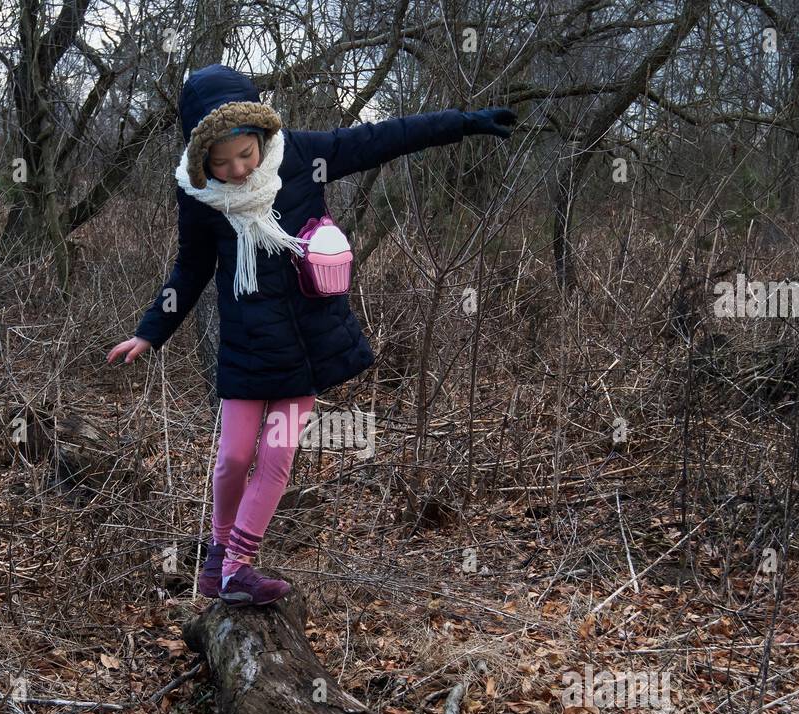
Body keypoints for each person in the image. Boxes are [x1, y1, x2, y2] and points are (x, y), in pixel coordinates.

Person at [108, 63, 516, 605]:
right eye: (221, 162)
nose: (237, 169)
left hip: (305, 345)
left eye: (245, 155)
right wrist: (149, 332)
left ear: (261, 135)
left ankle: (237, 568)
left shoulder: (303, 156)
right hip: (247, 347)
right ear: (201, 159)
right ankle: (216, 556)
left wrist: (465, 122)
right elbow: (191, 269)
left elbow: (385, 138)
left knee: (276, 457)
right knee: (232, 457)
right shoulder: (199, 197)